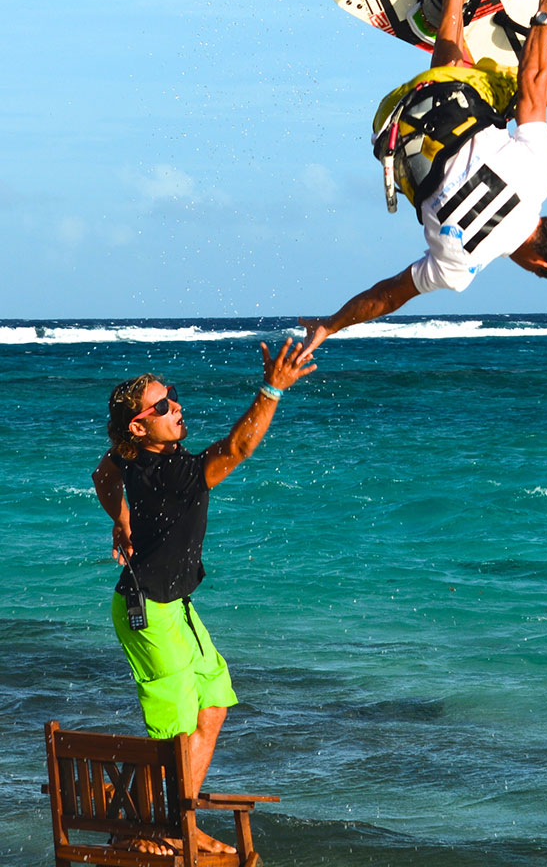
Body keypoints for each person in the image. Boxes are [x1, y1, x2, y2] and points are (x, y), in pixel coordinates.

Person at [301, 0, 547, 352]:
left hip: (437, 91)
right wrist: (330, 325)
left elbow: (531, 89)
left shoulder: (538, 174)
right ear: (540, 267)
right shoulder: (458, 267)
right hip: (390, 124)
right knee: (464, 114)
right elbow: (387, 296)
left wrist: (546, 16)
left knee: (500, 97)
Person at [92, 338, 315, 857]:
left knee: (213, 704)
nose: (177, 407)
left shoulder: (131, 457)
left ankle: (176, 822)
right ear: (139, 426)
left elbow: (102, 474)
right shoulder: (172, 472)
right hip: (147, 609)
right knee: (173, 731)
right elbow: (236, 449)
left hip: (178, 607)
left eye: (174, 396)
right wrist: (272, 388)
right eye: (163, 405)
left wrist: (121, 521)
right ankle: (152, 826)